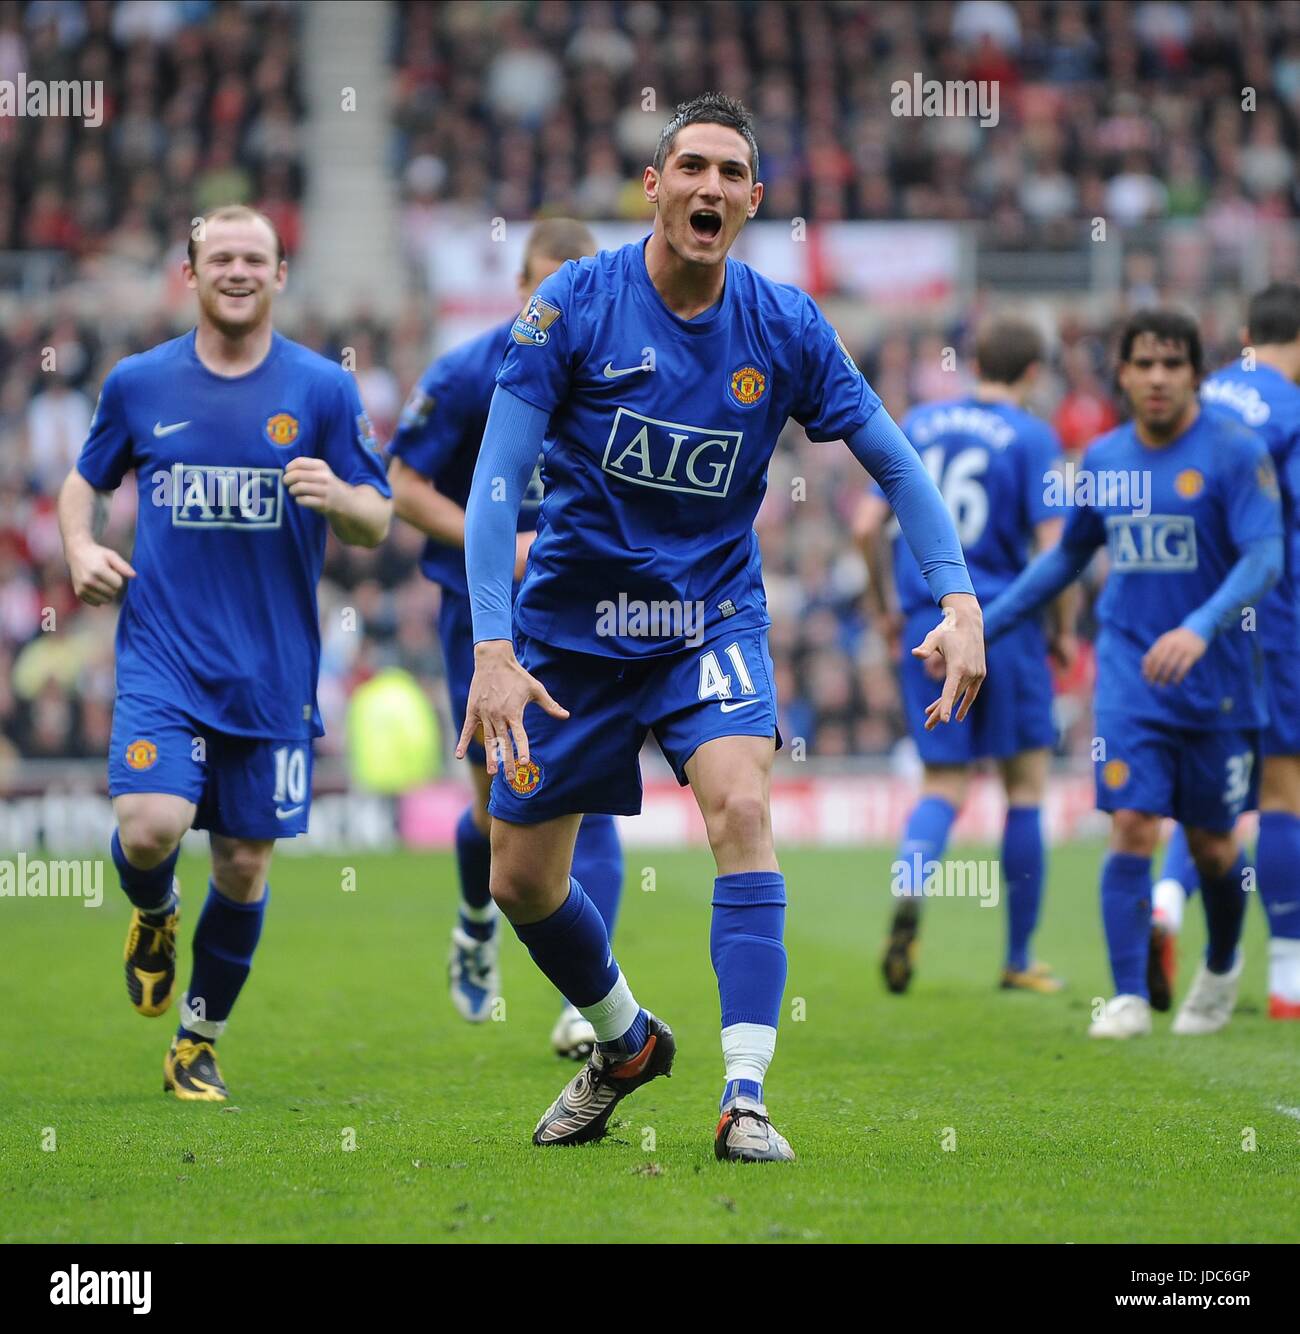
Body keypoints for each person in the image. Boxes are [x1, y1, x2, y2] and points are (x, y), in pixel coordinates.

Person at [458, 93, 984, 1160]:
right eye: (688, 166)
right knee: (519, 880)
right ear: (652, 187)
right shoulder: (571, 304)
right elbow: (498, 479)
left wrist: (958, 597)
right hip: (571, 629)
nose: (707, 186)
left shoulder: (784, 324)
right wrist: (492, 646)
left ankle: (743, 1096)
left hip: (710, 618)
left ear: (753, 199)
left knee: (742, 803)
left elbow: (892, 458)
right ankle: (625, 1040)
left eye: (729, 172)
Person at [57, 204, 392, 1099]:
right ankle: (156, 910)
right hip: (164, 660)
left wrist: (341, 499)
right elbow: (82, 483)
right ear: (192, 274)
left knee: (243, 865)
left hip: (273, 674)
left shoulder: (323, 390)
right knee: (152, 825)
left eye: (256, 259)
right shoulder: (138, 383)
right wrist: (83, 549)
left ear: (281, 275)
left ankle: (195, 1042)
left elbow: (378, 516)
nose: (238, 271)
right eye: (221, 258)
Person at [983, 309, 1282, 1038]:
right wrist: (980, 626)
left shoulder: (1234, 452)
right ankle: (1125, 997)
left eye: (1171, 364)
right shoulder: (1105, 461)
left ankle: (1219, 965)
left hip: (1217, 679)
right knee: (1132, 825)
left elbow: (1265, 556)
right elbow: (1066, 557)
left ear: (1196, 375)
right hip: (1127, 672)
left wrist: (1200, 625)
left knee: (1213, 845)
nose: (1156, 377)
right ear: (1121, 373)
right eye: (1143, 364)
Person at [388, 218, 624, 1058]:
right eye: (544, 284)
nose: (562, 301)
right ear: (520, 285)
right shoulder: (467, 370)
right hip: (482, 611)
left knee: (585, 791)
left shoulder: (621, 368)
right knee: (499, 807)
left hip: (581, 612)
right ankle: (474, 923)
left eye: (579, 284)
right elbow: (402, 485)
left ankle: (584, 999)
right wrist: (494, 541)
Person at [855, 316, 1070, 996]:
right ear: (1033, 373)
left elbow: (865, 527)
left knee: (944, 786)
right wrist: (1062, 629)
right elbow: (1056, 547)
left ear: (975, 361)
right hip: (1004, 622)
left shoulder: (920, 421)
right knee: (1026, 789)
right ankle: (1018, 956)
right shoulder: (1035, 435)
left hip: (929, 622)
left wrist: (887, 606)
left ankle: (911, 886)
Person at [1151, 283, 1300, 1020]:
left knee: (1209, 790)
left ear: (1246, 333)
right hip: (1266, 615)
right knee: (1280, 791)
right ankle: (1287, 981)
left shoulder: (1200, 390)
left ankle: (1167, 903)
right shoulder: (1290, 408)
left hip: (1188, 610)